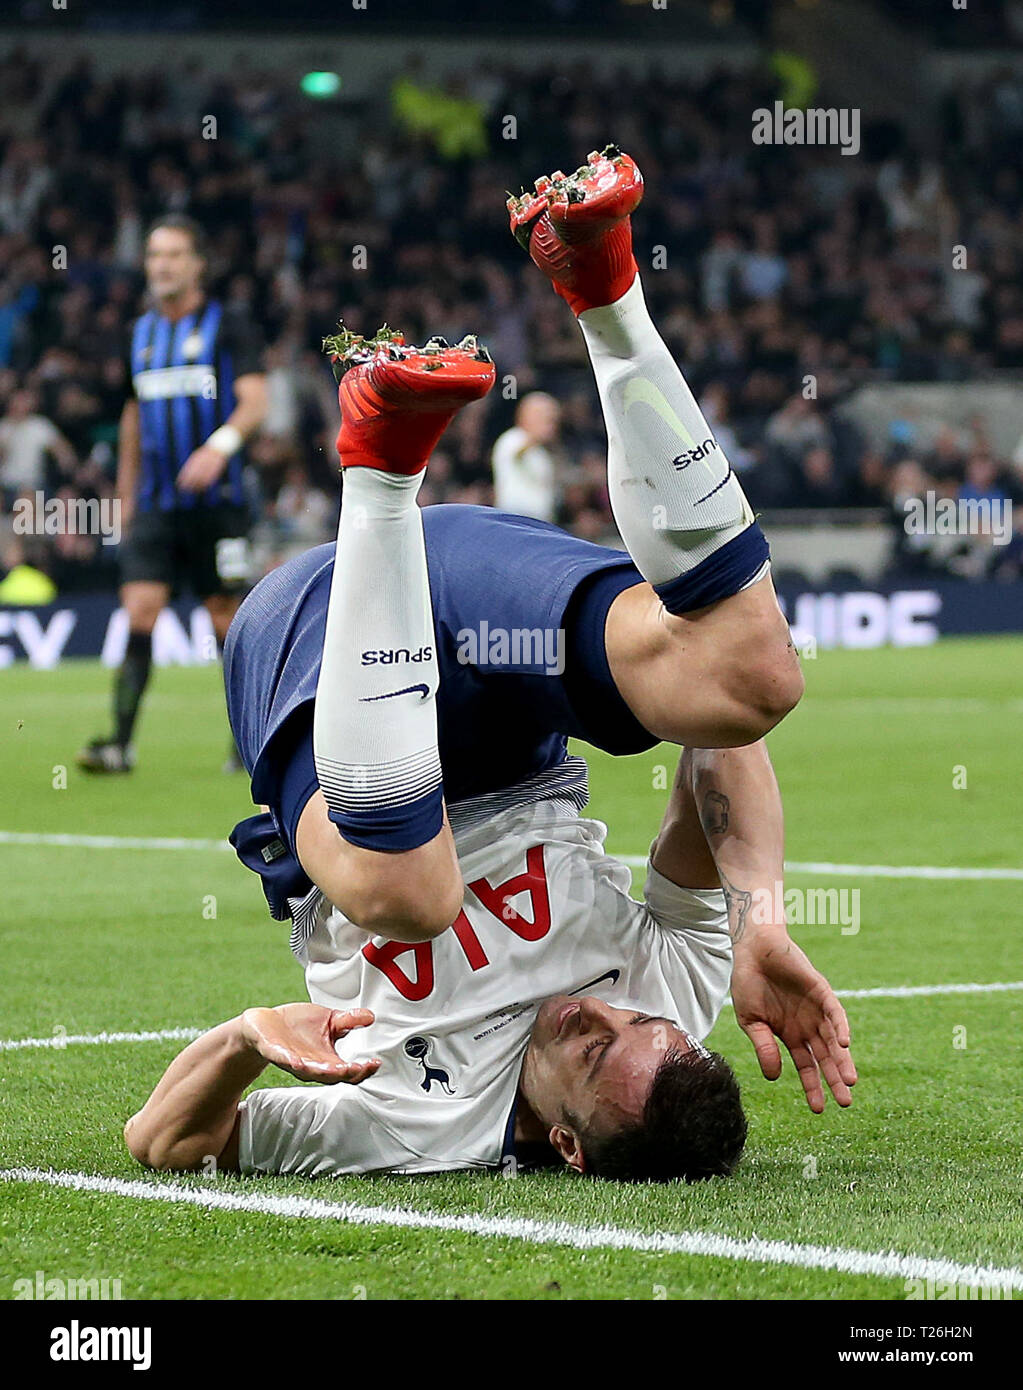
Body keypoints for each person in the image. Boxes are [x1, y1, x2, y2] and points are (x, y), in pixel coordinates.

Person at [126, 149, 854, 1181]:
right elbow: (712, 752)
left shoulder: (428, 1124)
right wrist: (759, 917)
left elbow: (160, 1143)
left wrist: (246, 1040)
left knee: (409, 894)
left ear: (566, 1144)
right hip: (488, 673)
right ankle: (604, 288)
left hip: (322, 669)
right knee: (752, 681)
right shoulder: (675, 994)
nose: (595, 1007)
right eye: (631, 1017)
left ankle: (378, 472)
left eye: (593, 1046)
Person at [77, 214, 267, 774]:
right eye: (154, 255)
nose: (161, 265)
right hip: (157, 503)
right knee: (139, 608)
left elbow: (254, 401)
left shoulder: (228, 324)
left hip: (219, 502)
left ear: (197, 264)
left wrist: (218, 447)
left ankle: (251, 745)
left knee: (224, 619)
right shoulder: (141, 333)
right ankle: (120, 744)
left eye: (174, 255)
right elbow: (132, 415)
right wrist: (124, 495)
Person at [490, 391, 561, 521]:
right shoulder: (511, 439)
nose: (550, 423)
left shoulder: (541, 453)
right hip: (515, 519)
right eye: (541, 416)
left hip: (539, 521)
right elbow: (518, 454)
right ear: (524, 415)